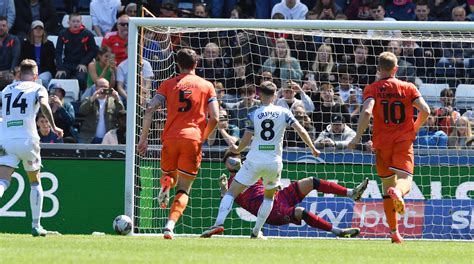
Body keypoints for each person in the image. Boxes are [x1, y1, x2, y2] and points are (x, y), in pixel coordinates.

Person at [202, 81, 320, 239]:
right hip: (274, 162)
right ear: (275, 94)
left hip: (254, 160)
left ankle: (218, 224)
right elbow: (301, 129)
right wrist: (313, 148)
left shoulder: (253, 114)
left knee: (231, 193)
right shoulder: (284, 112)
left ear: (259, 95)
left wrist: (237, 150)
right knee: (269, 197)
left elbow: (245, 140)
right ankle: (256, 231)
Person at [137, 48, 219, 240]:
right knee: (183, 189)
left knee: (169, 175)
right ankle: (170, 226)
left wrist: (143, 138)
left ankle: (166, 182)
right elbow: (215, 117)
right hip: (192, 139)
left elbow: (150, 108)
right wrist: (202, 137)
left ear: (177, 65)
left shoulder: (168, 84)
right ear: (196, 64)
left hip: (170, 138)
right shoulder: (206, 85)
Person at [349, 52, 430, 244]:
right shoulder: (408, 87)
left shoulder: (372, 89)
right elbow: (426, 110)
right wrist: (414, 128)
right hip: (402, 141)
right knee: (405, 180)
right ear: (396, 69)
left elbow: (367, 111)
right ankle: (399, 193)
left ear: (378, 69)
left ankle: (394, 232)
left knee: (387, 188)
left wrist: (357, 138)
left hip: (381, 144)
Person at [202, 151, 368, 238]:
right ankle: (338, 231)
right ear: (227, 165)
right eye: (230, 159)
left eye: (236, 157)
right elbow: (228, 200)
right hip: (270, 211)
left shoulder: (252, 168)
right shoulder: (234, 182)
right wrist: (223, 190)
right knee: (300, 212)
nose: (235, 160)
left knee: (311, 181)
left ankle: (351, 193)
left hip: (279, 196)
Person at [0, 59, 64, 236]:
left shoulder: (6, 90)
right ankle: (36, 225)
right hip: (27, 139)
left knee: (2, 181)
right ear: (35, 75)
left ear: (19, 74)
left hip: (5, 140)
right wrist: (54, 126)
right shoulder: (38, 88)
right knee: (35, 181)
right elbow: (43, 104)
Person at [55, 13, 98, 91]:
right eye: (73, 21)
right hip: (67, 63)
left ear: (81, 22)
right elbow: (58, 52)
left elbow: (93, 50)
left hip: (81, 63)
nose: (75, 24)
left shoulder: (87, 34)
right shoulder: (63, 33)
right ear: (69, 22)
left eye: (78, 21)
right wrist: (60, 68)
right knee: (59, 78)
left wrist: (84, 63)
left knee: (81, 79)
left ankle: (81, 97)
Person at [78, 78, 124, 143]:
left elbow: (121, 113)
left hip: (108, 139)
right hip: (89, 137)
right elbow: (82, 111)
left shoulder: (113, 101)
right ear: (96, 87)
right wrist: (93, 98)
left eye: (105, 87)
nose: (103, 89)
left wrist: (117, 99)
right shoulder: (89, 99)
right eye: (101, 86)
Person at [19, 20, 56, 87]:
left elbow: (50, 62)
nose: (38, 30)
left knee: (41, 79)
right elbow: (23, 60)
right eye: (36, 28)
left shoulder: (49, 44)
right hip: (29, 70)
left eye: (40, 28)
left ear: (43, 31)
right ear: (32, 30)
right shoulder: (25, 44)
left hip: (45, 71)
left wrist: (38, 73)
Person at [0, 16, 20, 90]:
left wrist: (11, 72)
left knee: (10, 78)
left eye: (3, 26)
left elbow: (16, 57)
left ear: (7, 27)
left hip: (8, 72)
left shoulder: (13, 40)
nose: (1, 28)